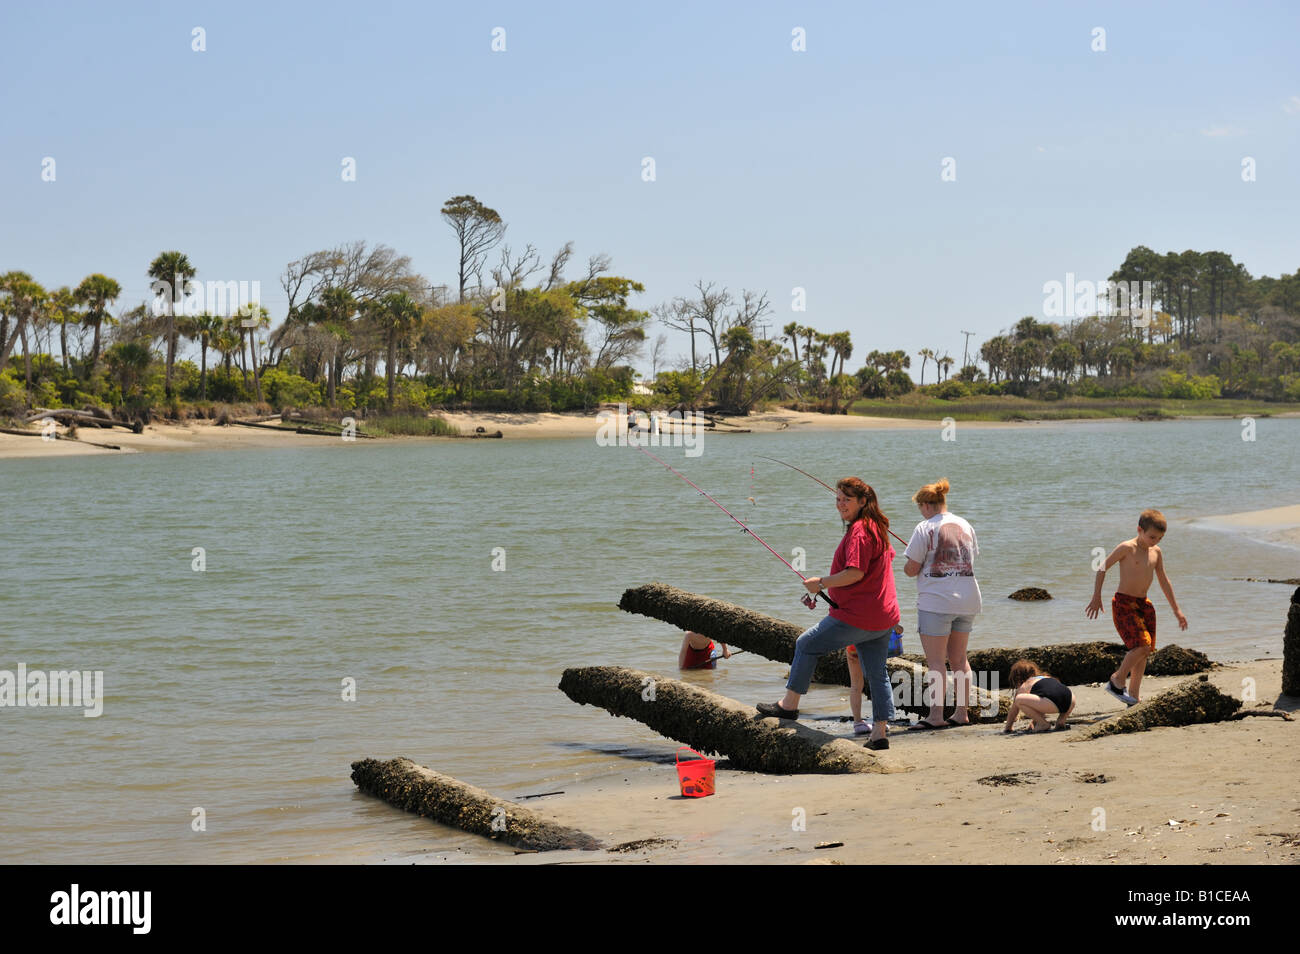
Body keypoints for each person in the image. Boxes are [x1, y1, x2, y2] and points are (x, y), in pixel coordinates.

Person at [756, 478, 899, 751]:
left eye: (847, 499)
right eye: (837, 499)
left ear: (863, 502)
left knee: (806, 644)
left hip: (858, 616)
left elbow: (856, 572)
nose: (841, 504)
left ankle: (789, 706)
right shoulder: (878, 528)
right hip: (883, 617)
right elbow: (885, 560)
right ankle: (879, 734)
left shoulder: (859, 531)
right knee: (877, 673)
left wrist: (821, 582)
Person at [1086, 508, 1187, 705]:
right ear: (1139, 530)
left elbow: (1164, 581)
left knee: (1145, 650)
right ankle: (1117, 679)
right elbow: (1102, 567)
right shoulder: (1127, 547)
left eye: (1159, 538)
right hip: (1124, 604)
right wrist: (1096, 596)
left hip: (1144, 605)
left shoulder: (1156, 552)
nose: (1155, 542)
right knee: (1142, 645)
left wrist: (1177, 610)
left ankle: (1133, 695)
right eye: (1152, 537)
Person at [903, 478, 982, 729]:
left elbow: (910, 568)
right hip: (968, 599)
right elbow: (970, 558)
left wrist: (911, 564)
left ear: (927, 505)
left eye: (920, 507)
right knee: (959, 659)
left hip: (936, 602)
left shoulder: (923, 527)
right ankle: (961, 713)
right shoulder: (965, 524)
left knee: (936, 662)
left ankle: (936, 716)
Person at [846, 622, 904, 734]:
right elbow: (898, 629)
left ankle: (857, 722)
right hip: (871, 647)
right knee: (877, 683)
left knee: (856, 685)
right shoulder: (878, 607)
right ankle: (879, 722)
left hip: (852, 645)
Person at [1002, 659, 1075, 732]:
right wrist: (1034, 722)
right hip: (1070, 700)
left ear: (1017, 678)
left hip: (1051, 703)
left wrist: (1008, 727)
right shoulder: (1045, 678)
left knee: (1018, 700)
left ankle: (1043, 724)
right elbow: (1044, 699)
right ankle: (1061, 721)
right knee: (1061, 696)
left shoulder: (1024, 685)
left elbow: (1014, 711)